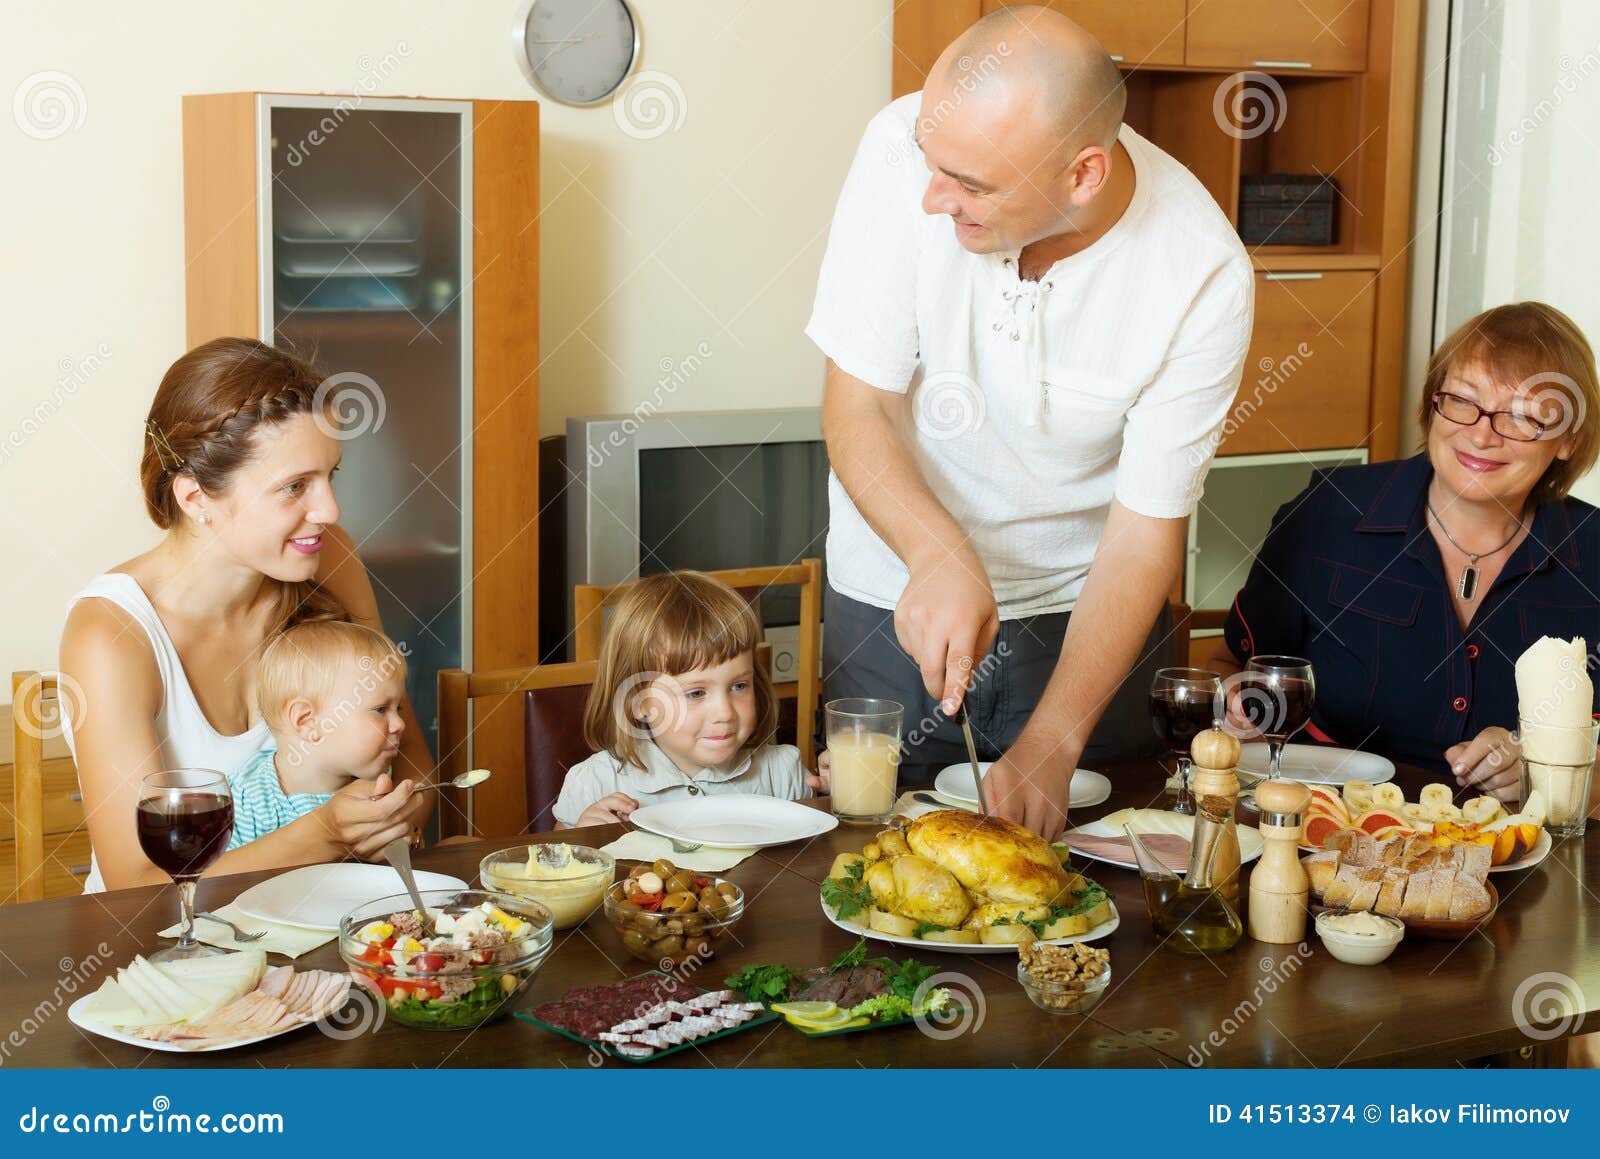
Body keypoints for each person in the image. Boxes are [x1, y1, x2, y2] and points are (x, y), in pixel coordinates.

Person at [808, 5, 1253, 835]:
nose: (934, 197)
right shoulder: (903, 148)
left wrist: (1055, 735)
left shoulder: (1203, 273)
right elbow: (856, 403)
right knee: (880, 868)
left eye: (972, 185)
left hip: (1086, 621)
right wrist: (937, 554)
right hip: (894, 593)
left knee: (1087, 884)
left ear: (1082, 174)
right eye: (931, 166)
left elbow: (1142, 532)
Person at [60, 337, 432, 892]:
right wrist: (327, 833)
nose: (329, 509)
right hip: (170, 951)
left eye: (332, 476)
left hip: (323, 926)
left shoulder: (332, 559)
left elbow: (417, 773)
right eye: (294, 487)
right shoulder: (110, 635)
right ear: (195, 498)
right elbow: (138, 885)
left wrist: (393, 816)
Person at [1220, 302, 1600, 802]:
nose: (1481, 434)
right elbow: (1236, 663)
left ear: (1568, 439)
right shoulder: (1327, 511)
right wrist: (1238, 706)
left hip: (1516, 848)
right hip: (1323, 821)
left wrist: (1546, 773)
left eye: (1522, 417)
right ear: (1433, 403)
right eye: (1462, 400)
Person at [554, 571, 828, 828]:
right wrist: (583, 841)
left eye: (739, 686)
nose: (724, 713)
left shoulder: (782, 774)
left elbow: (812, 863)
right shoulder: (593, 783)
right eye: (696, 693)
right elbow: (551, 868)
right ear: (639, 703)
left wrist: (835, 802)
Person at [228, 621, 409, 848]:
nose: (400, 724)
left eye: (398, 708)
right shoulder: (246, 803)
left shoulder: (380, 784)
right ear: (307, 722)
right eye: (381, 709)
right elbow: (224, 880)